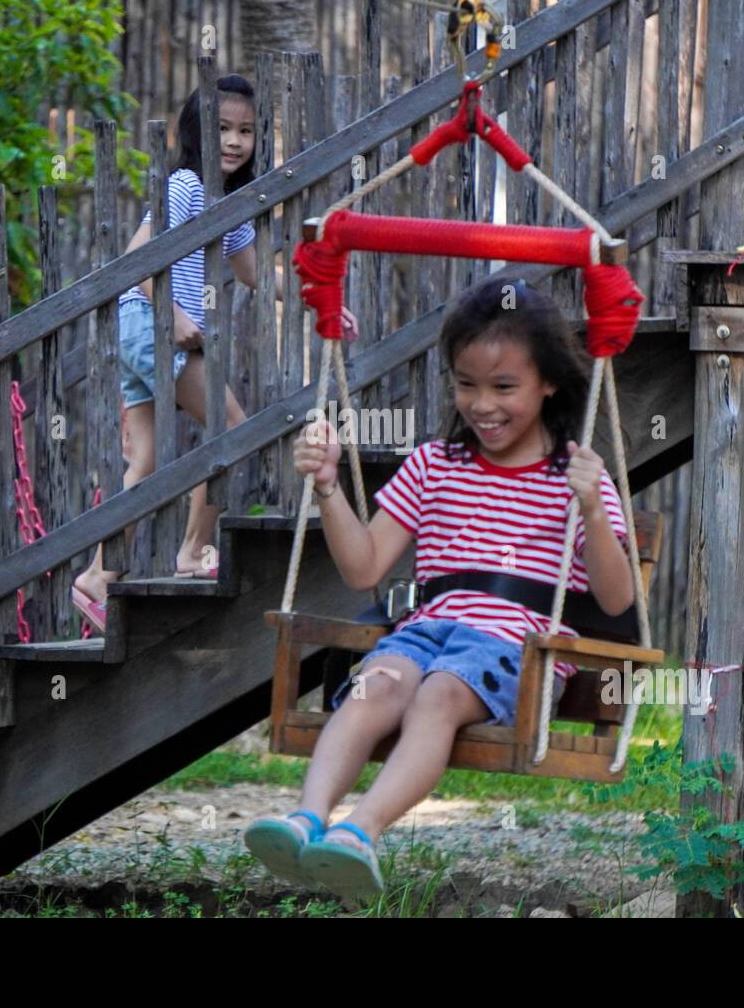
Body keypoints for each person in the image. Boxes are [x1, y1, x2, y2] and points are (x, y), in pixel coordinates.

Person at [243, 277, 635, 898]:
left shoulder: (576, 476)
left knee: (439, 695)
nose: (483, 404)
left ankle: (360, 833)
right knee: (377, 684)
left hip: (518, 645)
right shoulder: (434, 466)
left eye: (504, 387)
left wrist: (590, 508)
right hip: (428, 631)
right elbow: (364, 569)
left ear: (549, 383)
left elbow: (616, 599)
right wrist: (327, 488)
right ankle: (308, 818)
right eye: (466, 384)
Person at [72, 73, 355, 630]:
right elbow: (136, 260)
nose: (233, 140)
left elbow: (253, 274)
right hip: (146, 321)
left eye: (245, 131)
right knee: (231, 430)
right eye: (222, 128)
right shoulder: (184, 186)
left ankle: (95, 577)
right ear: (197, 133)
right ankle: (194, 552)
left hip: (151, 330)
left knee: (147, 462)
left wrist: (315, 294)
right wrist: (171, 315)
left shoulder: (229, 203)